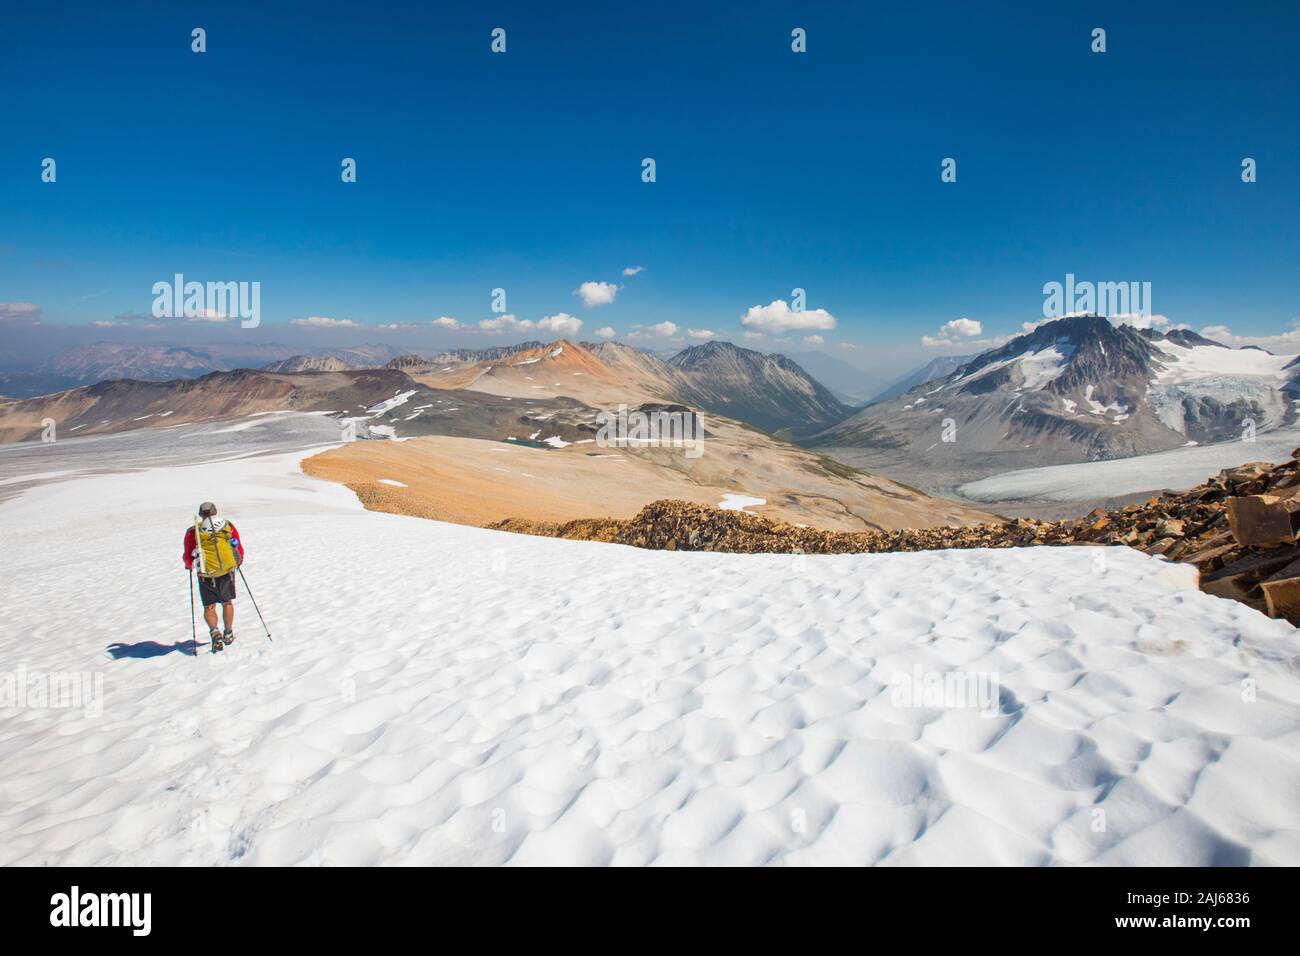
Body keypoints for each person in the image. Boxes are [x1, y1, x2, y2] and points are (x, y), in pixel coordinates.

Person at [183, 501, 244, 652]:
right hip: (226, 571)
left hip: (205, 574)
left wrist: (190, 566)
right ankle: (228, 633)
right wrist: (238, 561)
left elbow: (188, 556)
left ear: (200, 514)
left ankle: (214, 631)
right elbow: (238, 547)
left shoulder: (194, 532)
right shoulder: (227, 526)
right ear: (215, 512)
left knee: (209, 606)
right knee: (227, 603)